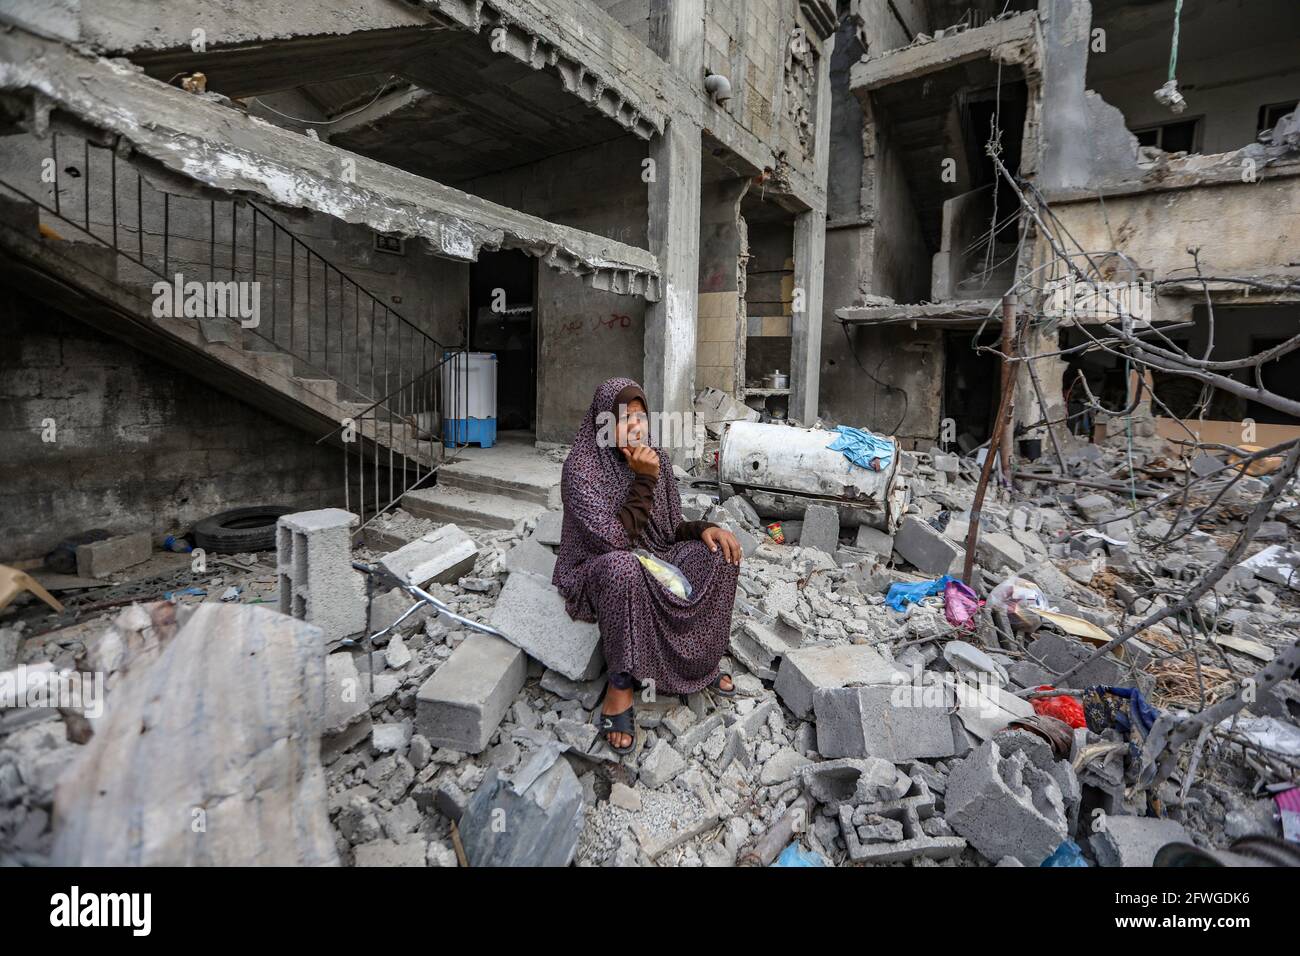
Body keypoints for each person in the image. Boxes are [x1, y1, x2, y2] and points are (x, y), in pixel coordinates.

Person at [552, 377, 742, 754]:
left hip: (653, 557)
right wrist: (643, 479)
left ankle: (696, 665)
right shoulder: (581, 471)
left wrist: (705, 529)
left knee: (720, 555)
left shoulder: (657, 459)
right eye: (623, 419)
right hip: (598, 567)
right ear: (602, 423)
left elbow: (668, 531)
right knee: (623, 568)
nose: (635, 427)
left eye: (641, 417)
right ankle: (620, 686)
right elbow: (614, 544)